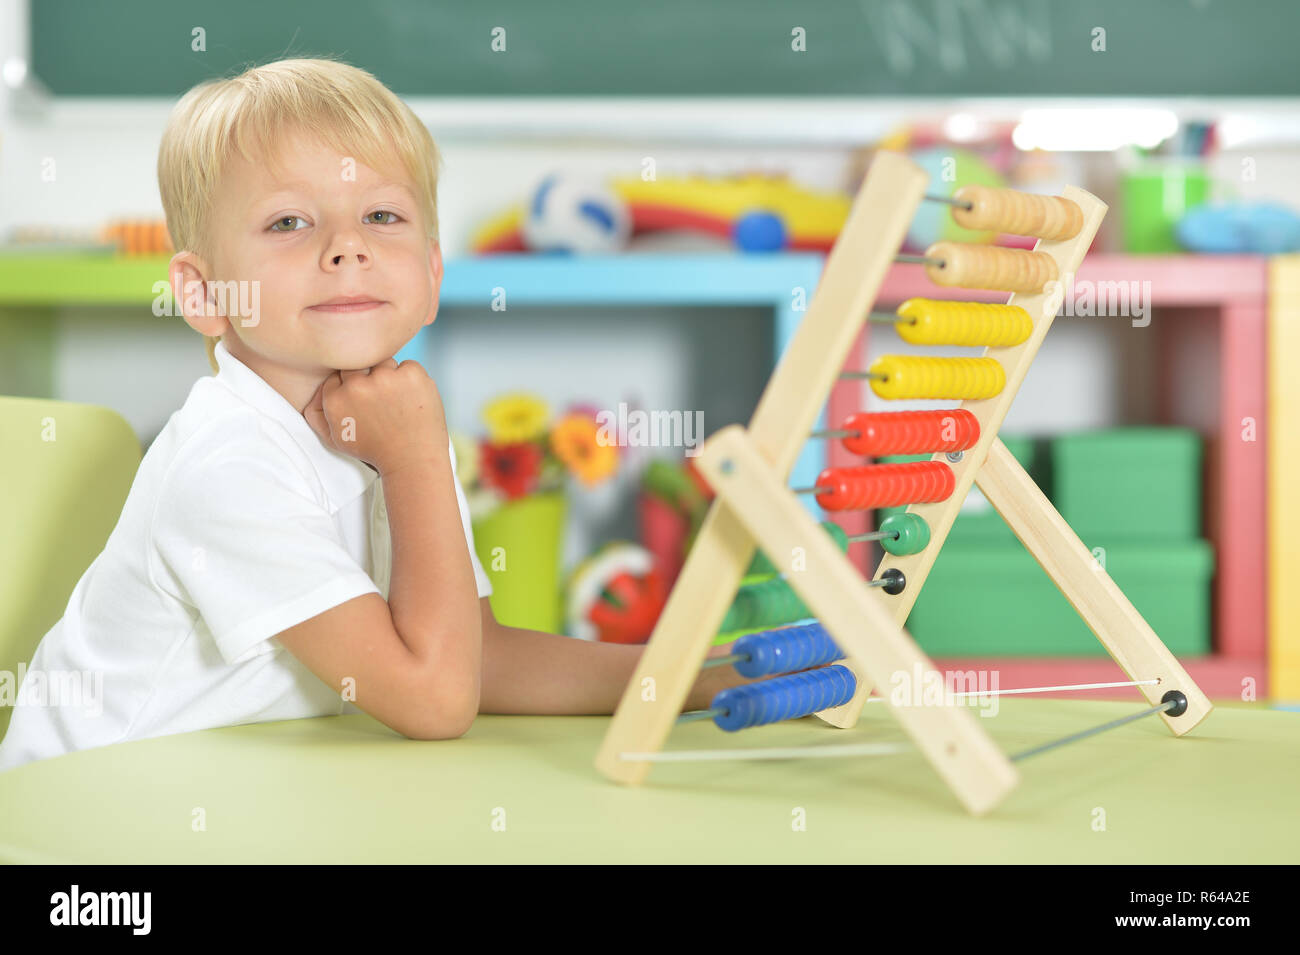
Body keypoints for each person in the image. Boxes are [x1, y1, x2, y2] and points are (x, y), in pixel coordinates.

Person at [0, 57, 739, 772]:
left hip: (241, 794)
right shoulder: (230, 460)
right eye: (289, 222)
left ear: (431, 271)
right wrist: (416, 457)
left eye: (382, 215)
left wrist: (690, 674)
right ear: (203, 293)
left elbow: (478, 658)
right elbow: (435, 697)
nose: (347, 247)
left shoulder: (390, 417)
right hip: (97, 814)